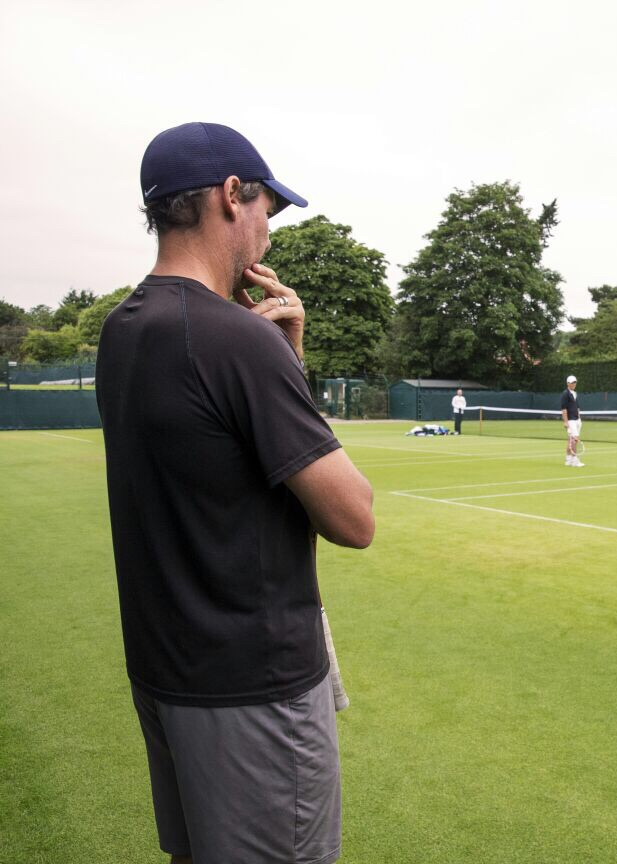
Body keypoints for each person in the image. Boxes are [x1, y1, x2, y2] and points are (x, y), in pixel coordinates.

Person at [96, 122, 375, 864]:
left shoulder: (122, 329)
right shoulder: (238, 340)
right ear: (229, 196)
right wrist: (287, 359)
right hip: (254, 688)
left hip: (167, 676)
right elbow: (355, 518)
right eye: (266, 212)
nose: (269, 238)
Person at [561, 374, 583, 467]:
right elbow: (564, 409)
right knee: (574, 440)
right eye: (572, 383)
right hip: (570, 421)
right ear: (568, 383)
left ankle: (568, 459)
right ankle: (575, 460)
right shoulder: (565, 394)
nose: (573, 384)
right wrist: (565, 422)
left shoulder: (575, 393)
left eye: (574, 382)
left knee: (571, 440)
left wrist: (579, 419)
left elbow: (577, 407)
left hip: (576, 420)